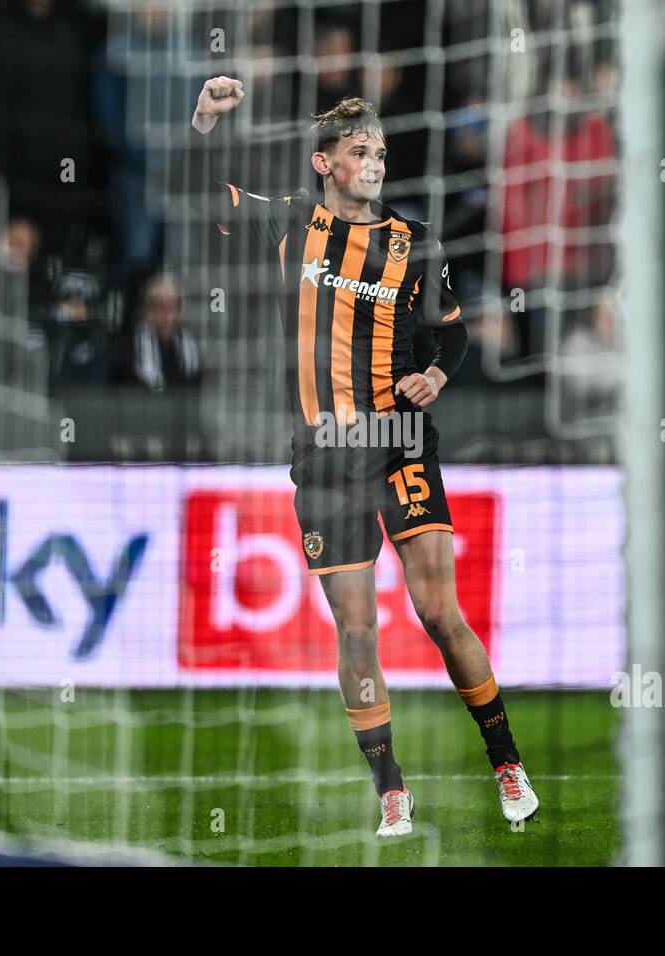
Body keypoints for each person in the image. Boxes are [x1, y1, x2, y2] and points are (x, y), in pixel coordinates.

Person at [175, 76, 537, 837]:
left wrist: (435, 374)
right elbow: (200, 195)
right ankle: (391, 791)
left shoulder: (414, 242)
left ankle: (506, 763)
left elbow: (453, 332)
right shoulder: (290, 228)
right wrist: (206, 118)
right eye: (357, 151)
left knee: (439, 611)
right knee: (357, 627)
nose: (372, 162)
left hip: (399, 439)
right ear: (323, 164)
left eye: (379, 151)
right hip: (323, 453)